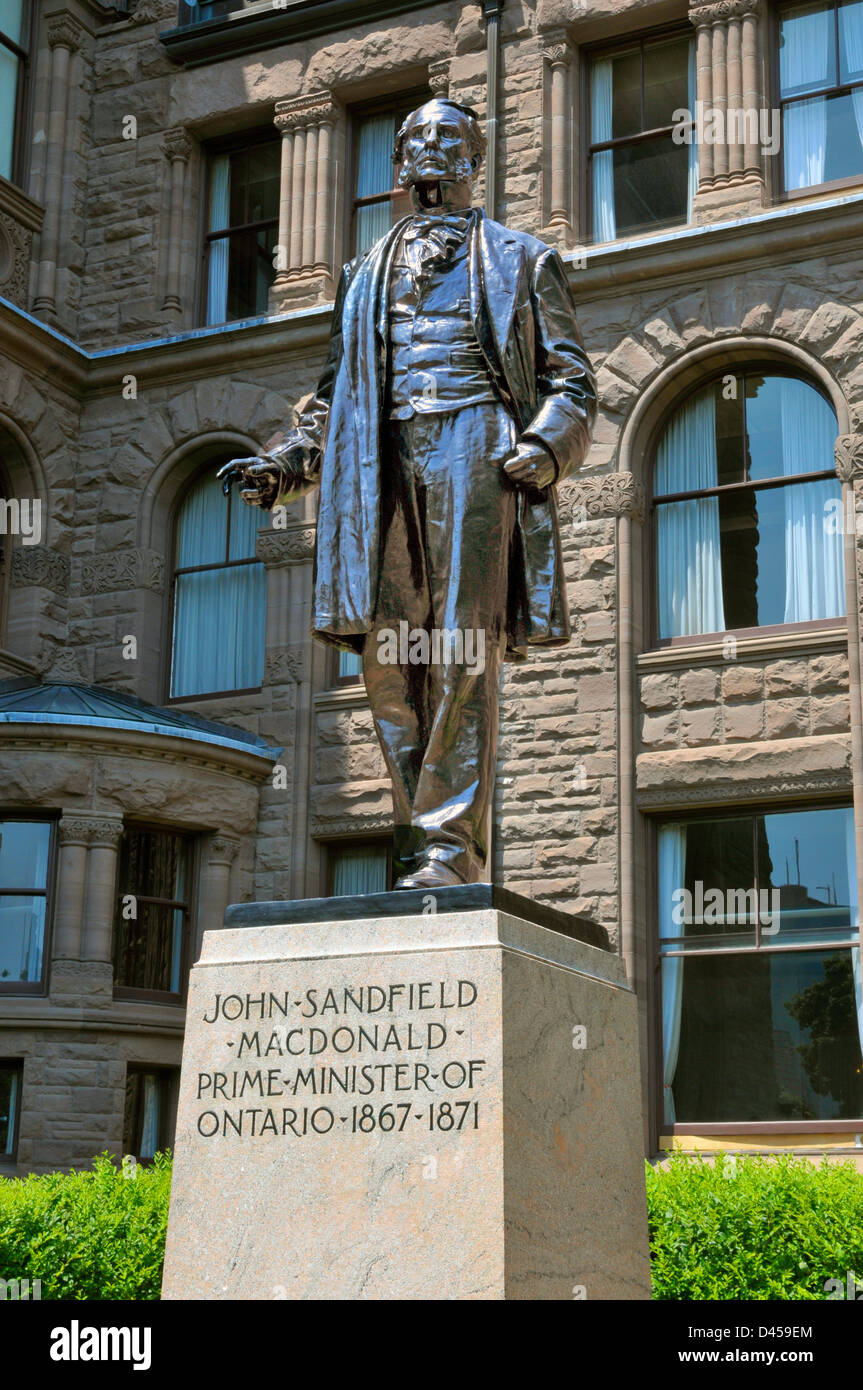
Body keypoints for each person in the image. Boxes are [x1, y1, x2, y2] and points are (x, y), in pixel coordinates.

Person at [219, 97, 597, 889]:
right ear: (397, 159)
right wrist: (284, 464)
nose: (429, 146)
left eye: (448, 135)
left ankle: (450, 849)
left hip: (476, 451)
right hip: (379, 467)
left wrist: (544, 442)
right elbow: (331, 398)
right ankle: (419, 843)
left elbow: (571, 380)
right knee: (388, 660)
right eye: (415, 136)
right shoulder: (363, 271)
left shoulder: (523, 259)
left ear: (475, 157)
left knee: (461, 651)